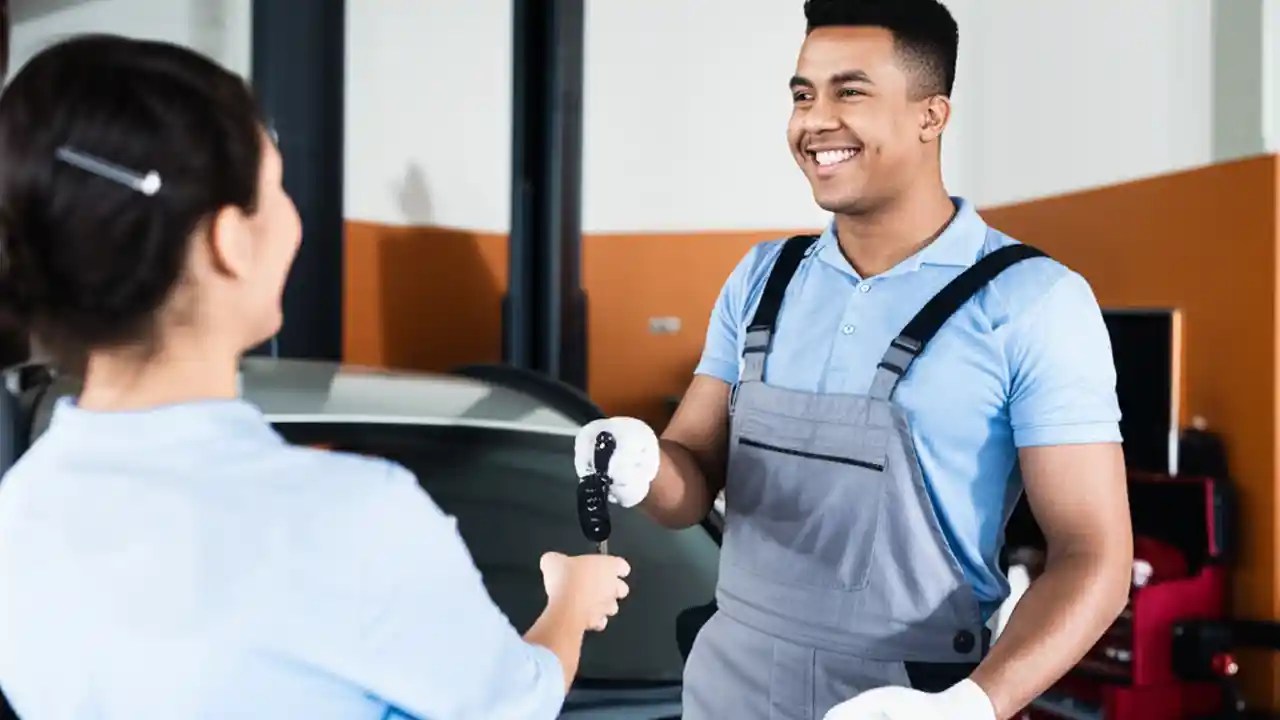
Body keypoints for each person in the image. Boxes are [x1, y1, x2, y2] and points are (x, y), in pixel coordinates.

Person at [0, 34, 631, 719]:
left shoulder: (21, 510)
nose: (292, 219)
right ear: (229, 242)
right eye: (276, 189)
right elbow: (513, 706)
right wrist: (571, 604)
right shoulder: (354, 520)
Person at [575, 1, 1133, 718]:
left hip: (910, 697)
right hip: (729, 688)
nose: (813, 121)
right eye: (803, 94)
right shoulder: (761, 278)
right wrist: (646, 466)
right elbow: (690, 484)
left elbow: (1095, 554)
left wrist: (970, 706)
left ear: (932, 116)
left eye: (850, 91)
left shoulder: (1033, 302)